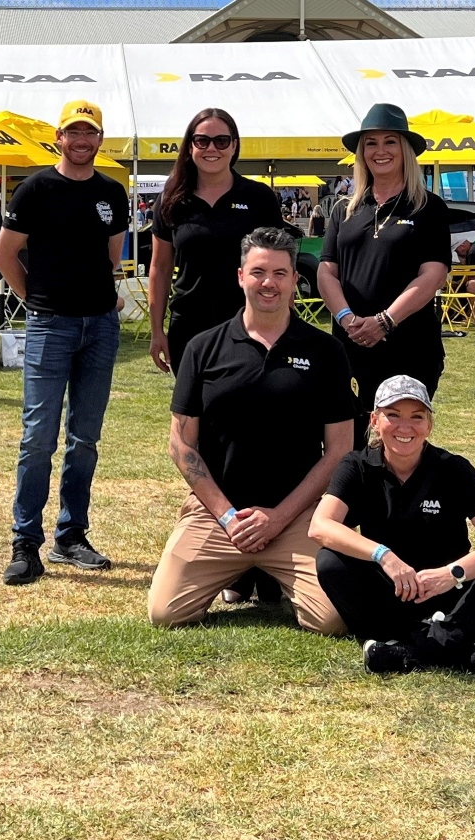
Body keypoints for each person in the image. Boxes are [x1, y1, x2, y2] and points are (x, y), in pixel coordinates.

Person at [149, 225, 355, 634]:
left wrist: (278, 518)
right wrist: (227, 516)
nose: (269, 283)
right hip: (220, 514)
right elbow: (181, 443)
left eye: (280, 273)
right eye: (259, 272)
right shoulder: (203, 348)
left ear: (296, 281)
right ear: (240, 276)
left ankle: (264, 572)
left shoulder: (326, 351)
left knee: (333, 619)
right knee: (165, 613)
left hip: (298, 515)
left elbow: (339, 450)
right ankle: (244, 571)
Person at [310, 375, 475, 673]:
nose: (405, 427)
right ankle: (454, 650)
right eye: (393, 415)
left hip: (453, 601)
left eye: (416, 417)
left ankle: (404, 651)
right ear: (375, 421)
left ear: (429, 425)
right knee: (329, 561)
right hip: (391, 595)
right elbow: (320, 526)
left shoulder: (452, 468)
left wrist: (452, 573)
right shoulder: (357, 466)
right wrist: (385, 556)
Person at [0, 100, 129, 585]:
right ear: (59, 137)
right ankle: (25, 543)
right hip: (51, 325)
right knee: (38, 438)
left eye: (89, 132)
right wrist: (36, 300)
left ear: (100, 138)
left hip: (99, 326)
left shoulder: (113, 192)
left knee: (85, 438)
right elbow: (4, 254)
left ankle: (71, 536)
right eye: (73, 131)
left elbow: (111, 256)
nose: (81, 140)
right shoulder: (35, 189)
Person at [317, 103, 451, 446]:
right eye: (371, 143)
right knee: (347, 446)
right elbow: (327, 272)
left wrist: (385, 320)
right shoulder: (343, 208)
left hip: (409, 346)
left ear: (405, 149)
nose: (380, 151)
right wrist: (348, 320)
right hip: (348, 346)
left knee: (398, 442)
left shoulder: (428, 208)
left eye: (390, 142)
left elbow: (433, 273)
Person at [146, 107, 284, 373]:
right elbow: (159, 268)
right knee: (191, 412)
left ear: (234, 146)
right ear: (190, 147)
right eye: (202, 140)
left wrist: (284, 322)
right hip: (188, 325)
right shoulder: (171, 200)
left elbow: (281, 265)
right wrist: (156, 331)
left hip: (248, 322)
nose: (212, 148)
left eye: (221, 141)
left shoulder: (259, 198)